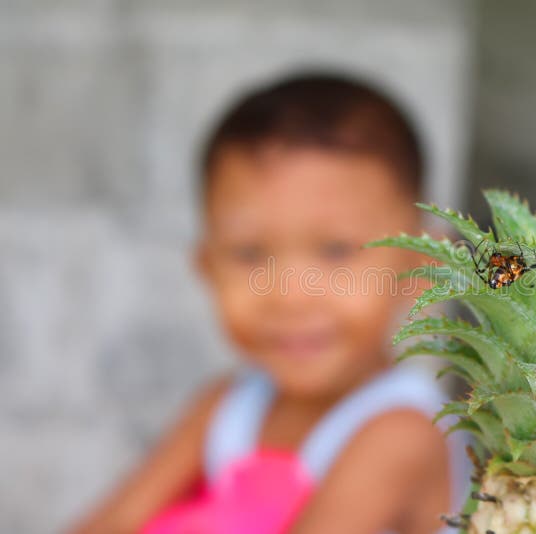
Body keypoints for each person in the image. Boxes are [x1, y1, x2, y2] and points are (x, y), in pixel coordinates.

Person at [69, 73, 468, 534]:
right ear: (207, 267)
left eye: (336, 250)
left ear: (420, 265)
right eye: (249, 254)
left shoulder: (400, 433)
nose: (289, 296)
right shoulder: (226, 407)